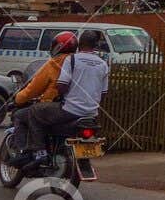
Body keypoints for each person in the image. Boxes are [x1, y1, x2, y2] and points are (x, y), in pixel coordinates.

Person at [21, 29, 109, 166]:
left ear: (79, 45)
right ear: (95, 46)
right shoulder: (103, 64)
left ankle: (40, 152)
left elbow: (61, 86)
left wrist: (64, 95)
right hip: (91, 114)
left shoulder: (72, 59)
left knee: (35, 111)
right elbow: (103, 93)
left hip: (69, 110)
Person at [7, 31, 78, 164]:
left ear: (58, 47)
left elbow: (33, 89)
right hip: (76, 108)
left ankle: (30, 152)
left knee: (21, 115)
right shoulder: (78, 62)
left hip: (55, 107)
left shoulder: (53, 64)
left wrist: (18, 98)